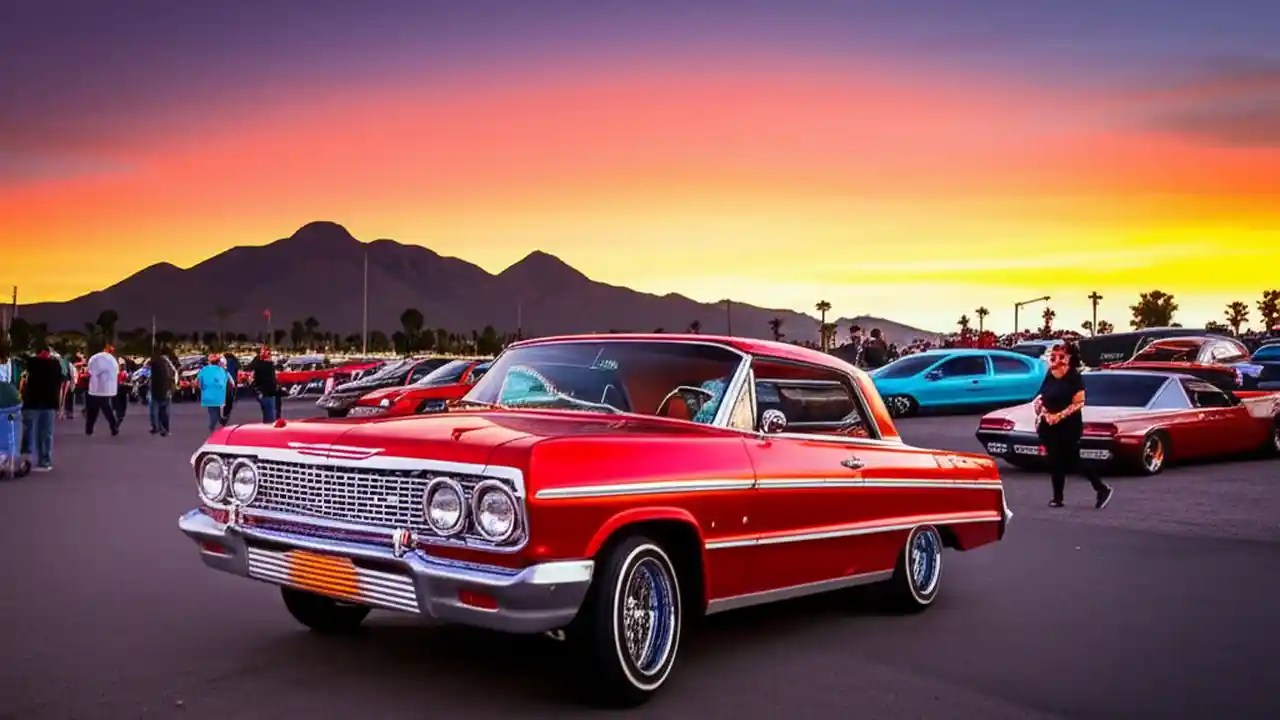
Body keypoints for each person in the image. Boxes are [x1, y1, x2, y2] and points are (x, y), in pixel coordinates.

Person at [1034, 342, 1113, 509]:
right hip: (1049, 424)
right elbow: (1043, 395)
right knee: (1054, 461)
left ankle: (1101, 488)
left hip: (1068, 425)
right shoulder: (1050, 374)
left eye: (1061, 356)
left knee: (1074, 460)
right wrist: (1043, 409)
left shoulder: (1074, 377)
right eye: (1053, 356)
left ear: (1069, 358)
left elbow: (1079, 402)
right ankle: (1057, 498)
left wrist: (1060, 416)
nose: (1056, 359)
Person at [19, 343, 63, 471]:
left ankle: (25, 457)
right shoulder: (55, 365)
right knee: (46, 432)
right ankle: (44, 461)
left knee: (27, 429)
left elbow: (24, 379)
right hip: (49, 403)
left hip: (31, 402)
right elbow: (59, 385)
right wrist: (60, 405)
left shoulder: (30, 363)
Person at [85, 344, 120, 436]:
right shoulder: (113, 360)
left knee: (93, 410)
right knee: (106, 408)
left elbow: (90, 370)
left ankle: (89, 429)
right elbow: (116, 372)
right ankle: (113, 427)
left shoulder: (94, 358)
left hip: (95, 388)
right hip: (107, 389)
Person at [195, 354, 230, 432]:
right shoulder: (220, 370)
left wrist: (202, 388)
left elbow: (198, 382)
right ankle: (215, 423)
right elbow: (223, 382)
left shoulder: (204, 370)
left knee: (212, 411)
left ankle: (217, 421)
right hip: (218, 395)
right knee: (217, 410)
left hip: (207, 395)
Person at [148, 348, 177, 436]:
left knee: (154, 409)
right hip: (165, 389)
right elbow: (171, 376)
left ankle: (156, 427)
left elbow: (152, 377)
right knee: (164, 410)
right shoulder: (167, 363)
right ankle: (164, 429)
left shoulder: (155, 363)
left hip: (156, 390)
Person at [248, 346, 278, 423]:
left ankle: (265, 428)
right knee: (269, 415)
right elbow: (271, 380)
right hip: (268, 392)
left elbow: (252, 378)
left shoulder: (258, 365)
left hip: (261, 393)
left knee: (266, 412)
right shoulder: (268, 366)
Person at [221, 352, 240, 426]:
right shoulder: (235, 361)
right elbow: (238, 368)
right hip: (233, 379)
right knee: (231, 395)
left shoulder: (223, 361)